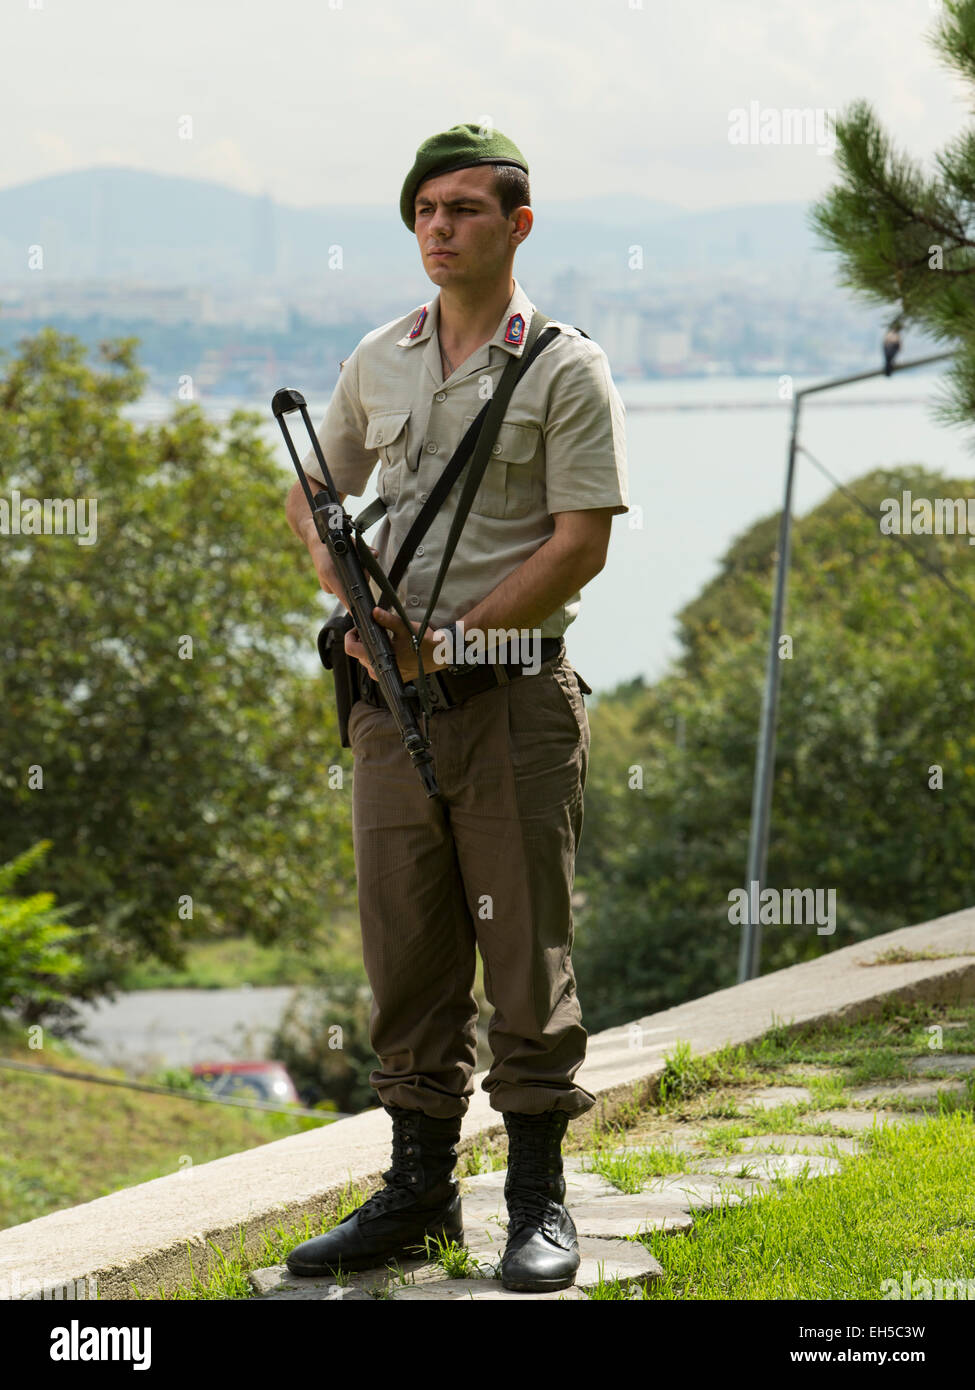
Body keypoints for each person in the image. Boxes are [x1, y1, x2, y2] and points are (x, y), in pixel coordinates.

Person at [283, 122, 628, 1293]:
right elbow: (313, 492)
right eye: (425, 211)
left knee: (524, 953)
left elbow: (578, 544)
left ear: (517, 226)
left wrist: (448, 639)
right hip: (388, 710)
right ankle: (418, 1195)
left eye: (465, 209)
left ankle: (537, 1202)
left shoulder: (565, 367)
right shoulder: (379, 357)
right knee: (406, 953)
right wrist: (353, 596)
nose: (439, 227)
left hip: (511, 698)